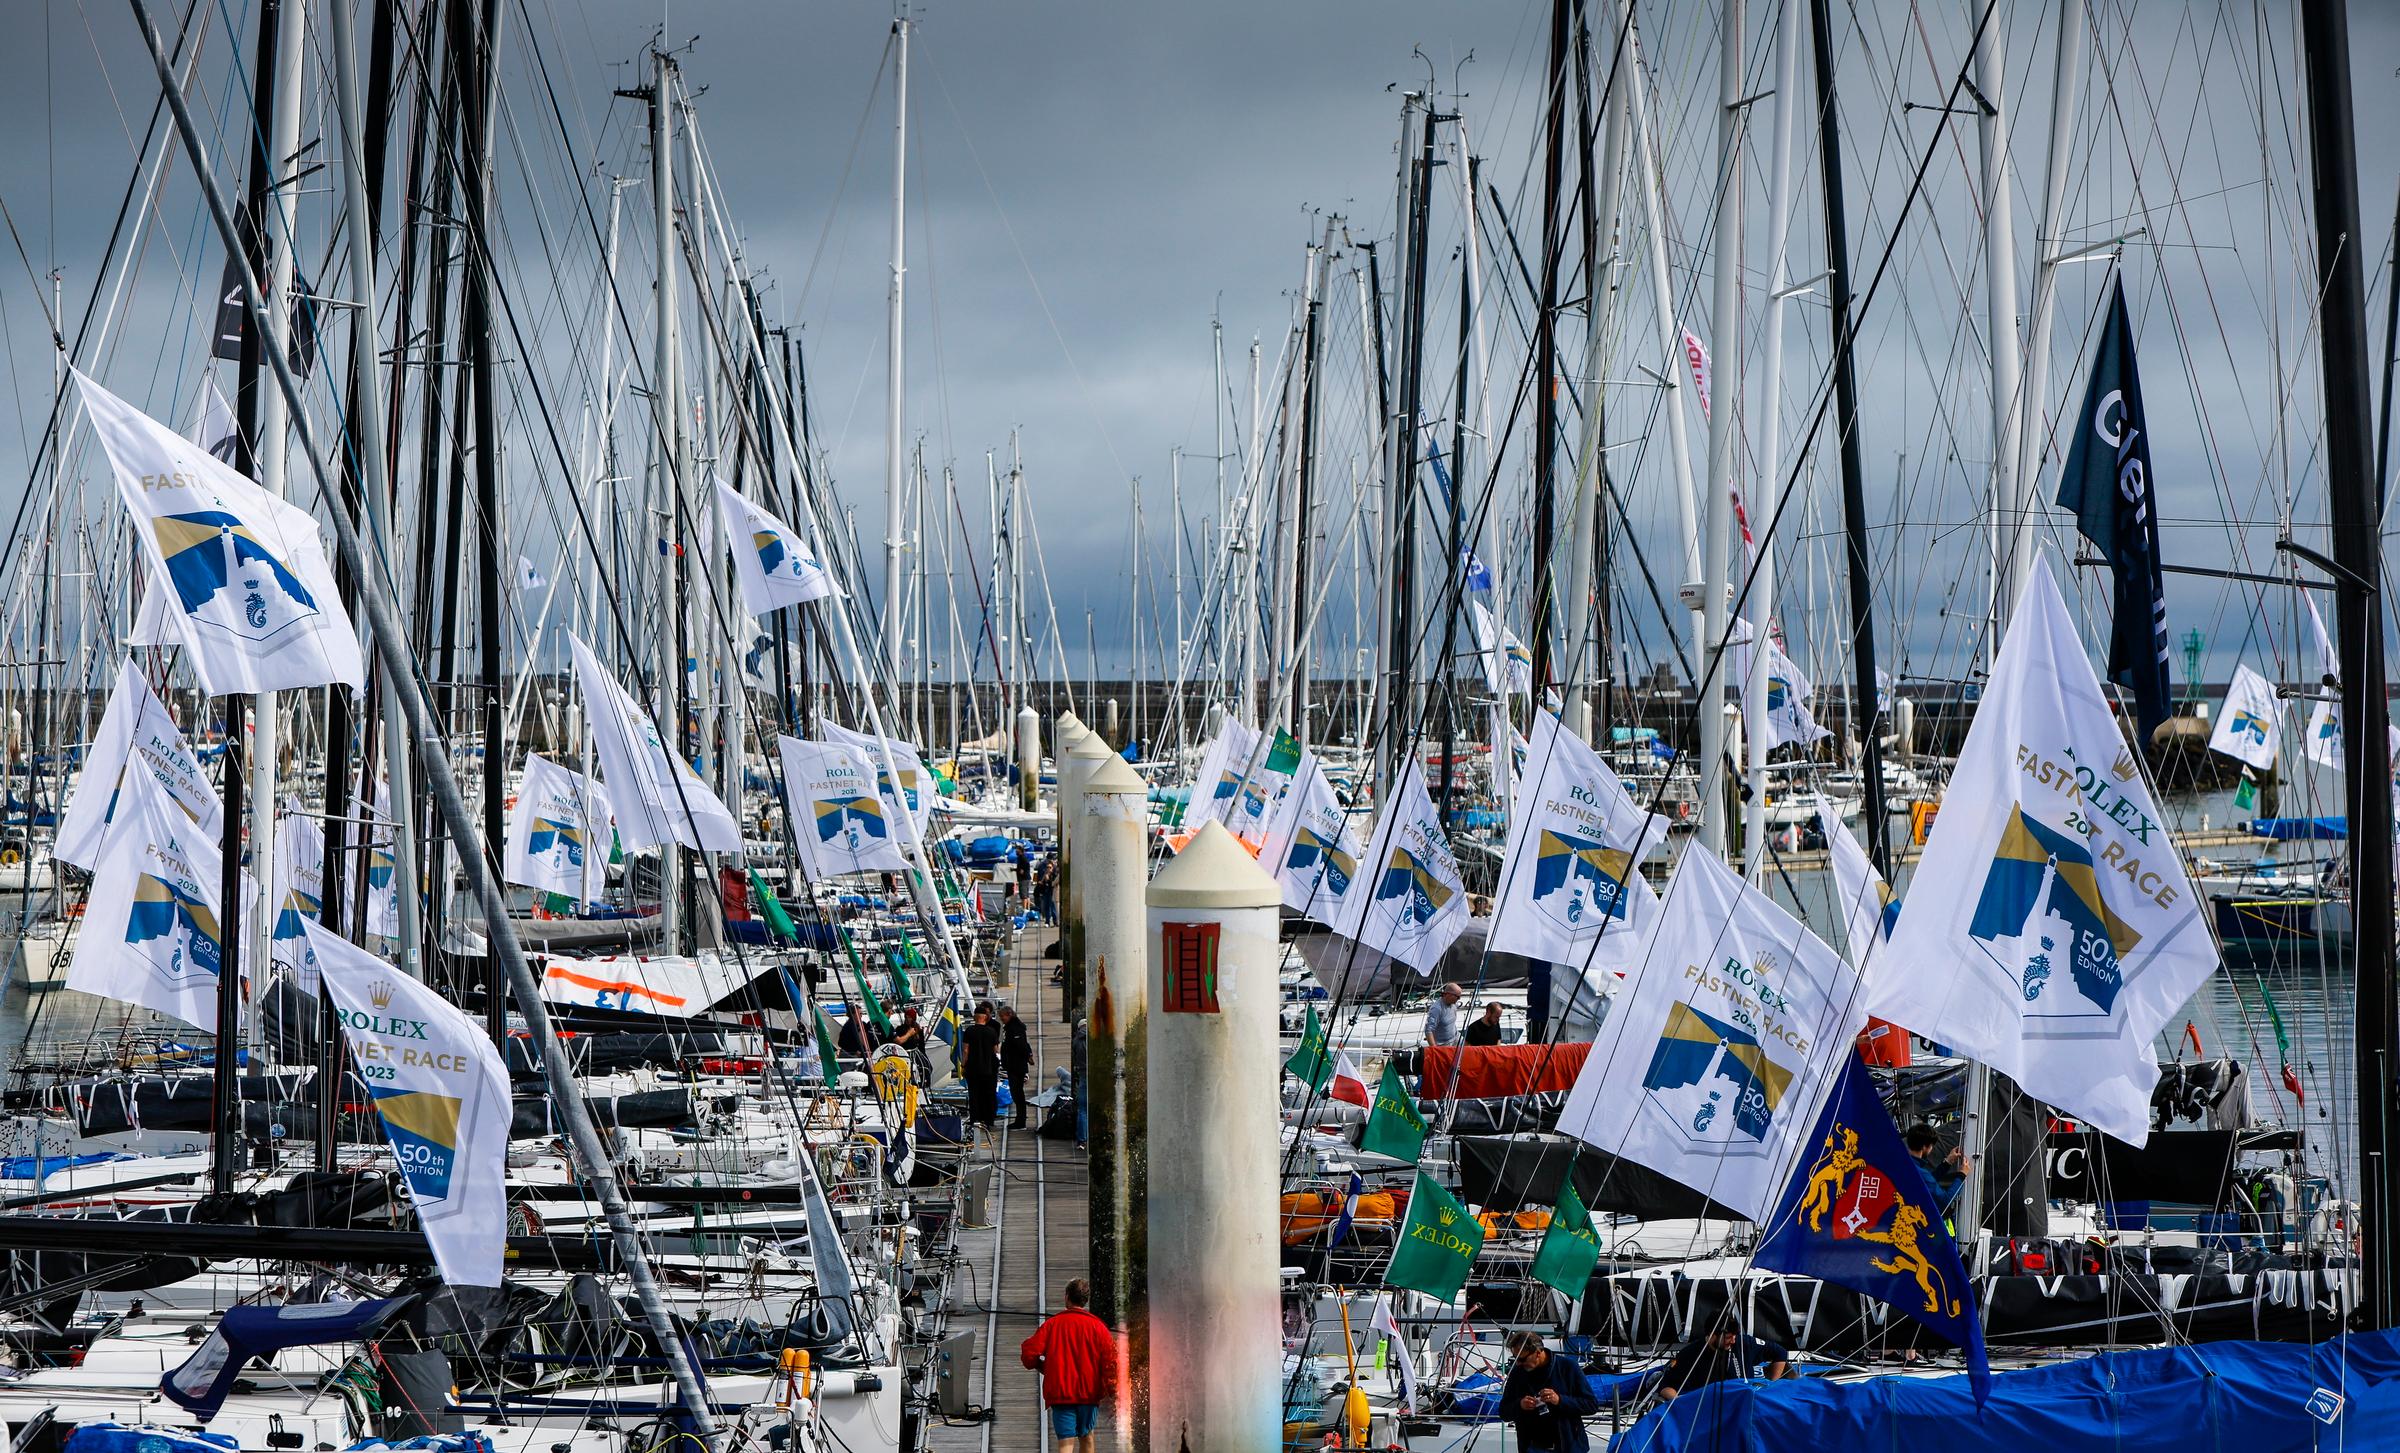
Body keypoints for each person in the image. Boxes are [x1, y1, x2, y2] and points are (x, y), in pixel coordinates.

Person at [1019, 1277, 1116, 1452]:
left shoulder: (1052, 1325)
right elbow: (1111, 1363)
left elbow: (1029, 1353)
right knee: (1087, 1437)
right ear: (1085, 1300)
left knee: (1065, 1443)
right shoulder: (1099, 1328)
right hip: (1089, 1394)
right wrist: (1113, 1392)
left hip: (1061, 1393)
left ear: (1067, 1297)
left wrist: (1041, 1366)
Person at [1500, 1331, 1601, 1452]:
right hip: (1533, 1447)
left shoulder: (1568, 1368)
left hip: (1568, 1446)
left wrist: (1559, 1400)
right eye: (1515, 1358)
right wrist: (1520, 1405)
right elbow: (1504, 1412)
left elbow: (1591, 1405)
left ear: (1538, 1353)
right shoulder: (1517, 1373)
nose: (1518, 1363)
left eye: (1522, 1359)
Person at [1658, 1321, 1790, 1399]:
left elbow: (1780, 1353)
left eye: (1734, 1336)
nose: (1733, 1341)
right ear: (1712, 1336)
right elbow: (1666, 1386)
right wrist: (1680, 1402)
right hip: (1709, 1412)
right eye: (1728, 1337)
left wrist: (1772, 1386)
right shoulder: (1689, 1354)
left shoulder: (1743, 1343)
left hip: (1745, 1406)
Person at [1906, 1124, 1970, 1219]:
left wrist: (1947, 1162)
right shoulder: (1921, 1173)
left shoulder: (1906, 1166)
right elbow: (1946, 1201)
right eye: (1931, 1146)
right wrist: (1962, 1175)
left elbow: (1925, 1184)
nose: (1931, 1149)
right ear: (1924, 1147)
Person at [960, 1003, 1004, 1129]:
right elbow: (996, 1050)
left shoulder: (969, 1031)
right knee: (989, 1095)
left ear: (975, 1017)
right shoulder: (991, 1032)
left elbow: (965, 1050)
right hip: (989, 1068)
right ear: (985, 1017)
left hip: (973, 1068)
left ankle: (975, 1118)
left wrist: (963, 1065)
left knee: (974, 1094)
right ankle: (989, 1120)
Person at [999, 1003, 1035, 1129]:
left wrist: (1028, 1056)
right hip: (1013, 1065)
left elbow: (1021, 1044)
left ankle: (1021, 1121)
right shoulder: (1011, 1027)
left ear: (1009, 1015)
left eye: (1002, 1016)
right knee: (1017, 1093)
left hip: (1016, 1065)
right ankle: (1020, 1120)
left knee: (1017, 1093)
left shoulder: (1014, 1028)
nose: (1001, 1019)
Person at [1425, 983, 1466, 1048]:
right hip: (1443, 1044)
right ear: (1448, 994)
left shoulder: (1454, 1004)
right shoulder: (1437, 1009)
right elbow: (1428, 1030)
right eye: (1457, 997)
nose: (1459, 999)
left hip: (1456, 1038)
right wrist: (1434, 1048)